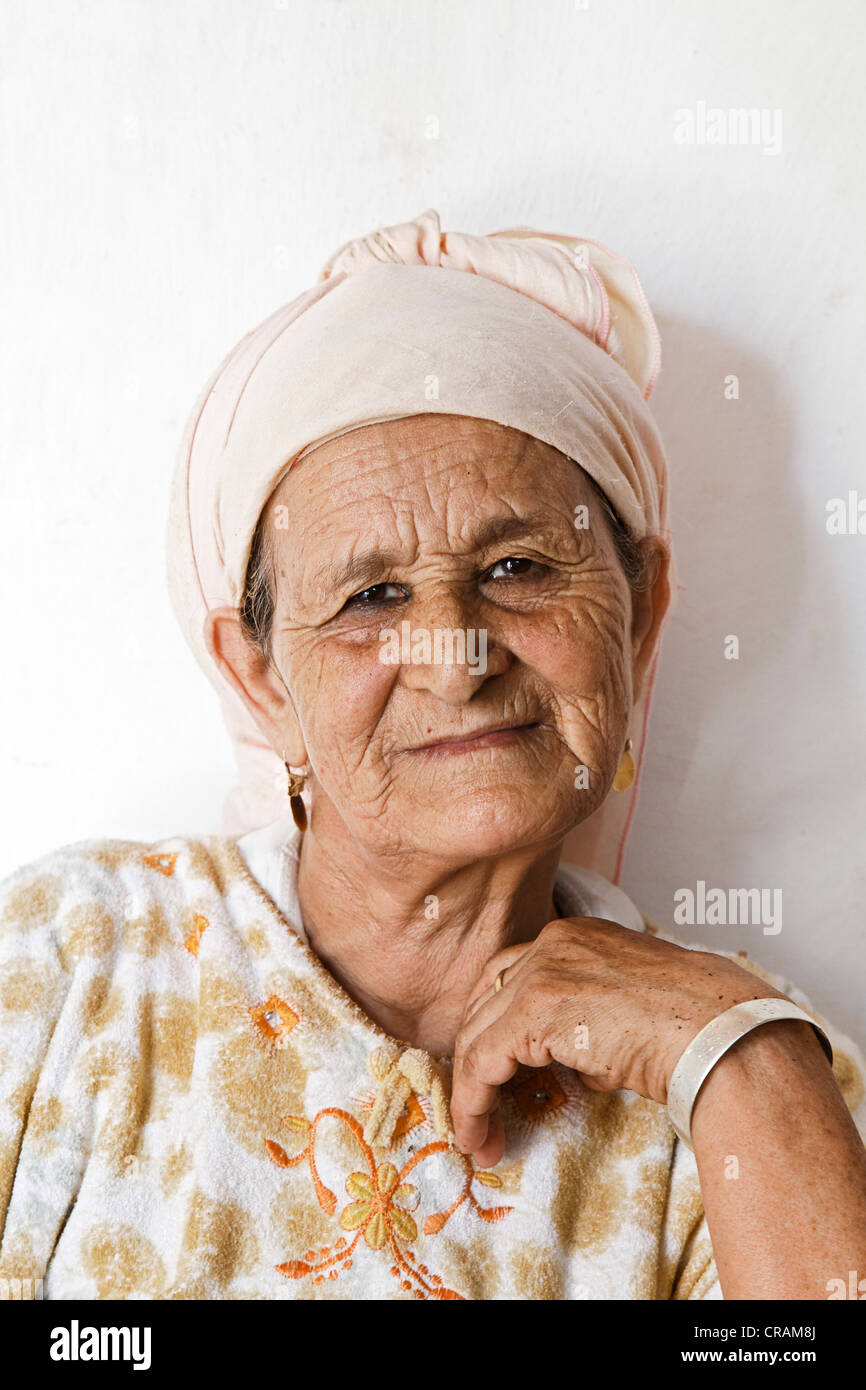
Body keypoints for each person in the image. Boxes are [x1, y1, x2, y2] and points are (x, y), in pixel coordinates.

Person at [1, 210, 864, 1301]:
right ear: (262, 679)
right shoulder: (66, 967)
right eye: (372, 596)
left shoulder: (748, 1074)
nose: (455, 660)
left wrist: (741, 1062)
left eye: (515, 566)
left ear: (637, 618)